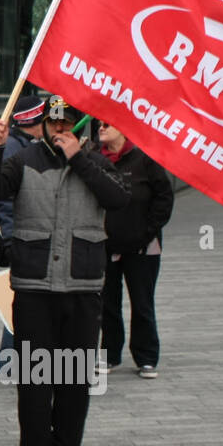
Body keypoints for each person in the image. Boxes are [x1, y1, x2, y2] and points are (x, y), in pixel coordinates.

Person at [0, 94, 128, 446]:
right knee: (37, 380)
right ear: (41, 125)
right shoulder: (23, 161)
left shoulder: (94, 162)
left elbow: (119, 199)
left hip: (82, 285)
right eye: (53, 124)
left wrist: (78, 158)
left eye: (68, 123)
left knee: (75, 379)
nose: (60, 130)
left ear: (80, 126)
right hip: (34, 286)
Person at [97, 120, 173, 376]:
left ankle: (146, 357)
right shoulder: (95, 159)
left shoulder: (144, 158)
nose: (101, 127)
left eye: (107, 123)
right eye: (99, 124)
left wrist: (147, 231)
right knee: (108, 303)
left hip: (143, 247)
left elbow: (164, 197)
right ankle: (109, 355)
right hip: (106, 247)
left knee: (142, 303)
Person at [0, 94, 45, 366]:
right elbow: (5, 199)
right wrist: (12, 237)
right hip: (21, 238)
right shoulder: (14, 149)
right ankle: (9, 361)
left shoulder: (21, 145)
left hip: (24, 236)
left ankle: (11, 360)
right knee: (20, 302)